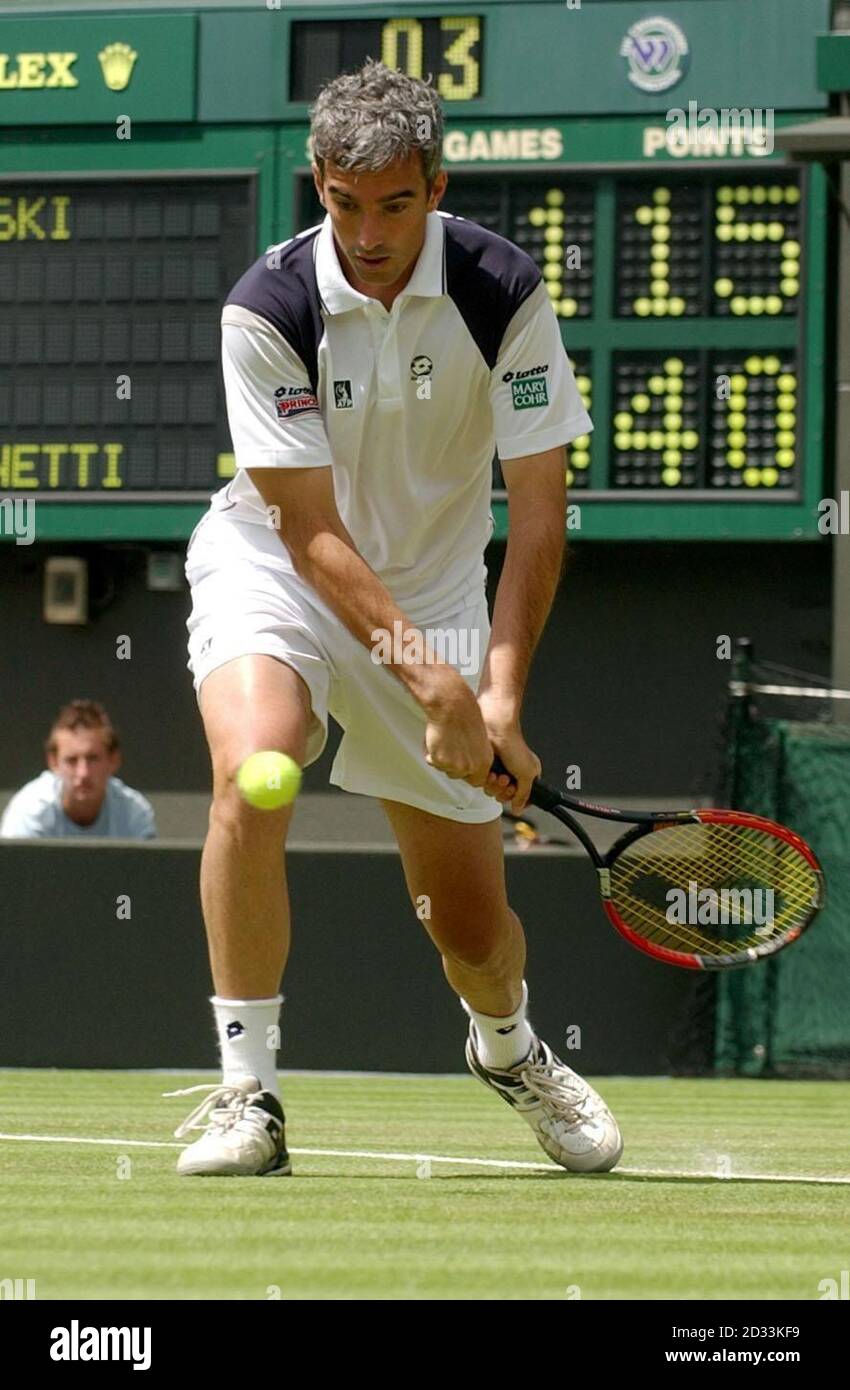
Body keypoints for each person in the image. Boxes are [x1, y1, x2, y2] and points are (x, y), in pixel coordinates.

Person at [169, 58, 622, 1177]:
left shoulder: (503, 290)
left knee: (471, 933)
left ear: (438, 182)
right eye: (342, 202)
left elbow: (539, 511)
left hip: (435, 593)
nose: (367, 232)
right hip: (274, 567)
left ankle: (508, 1045)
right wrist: (435, 685)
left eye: (394, 203)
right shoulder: (265, 309)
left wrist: (500, 690)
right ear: (318, 183)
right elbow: (310, 532)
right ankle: (248, 1094)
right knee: (250, 770)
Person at [0, 699, 156, 840]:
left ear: (113, 760)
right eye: (71, 761)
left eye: (93, 759)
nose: (83, 773)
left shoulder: (134, 814)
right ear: (53, 762)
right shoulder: (30, 811)